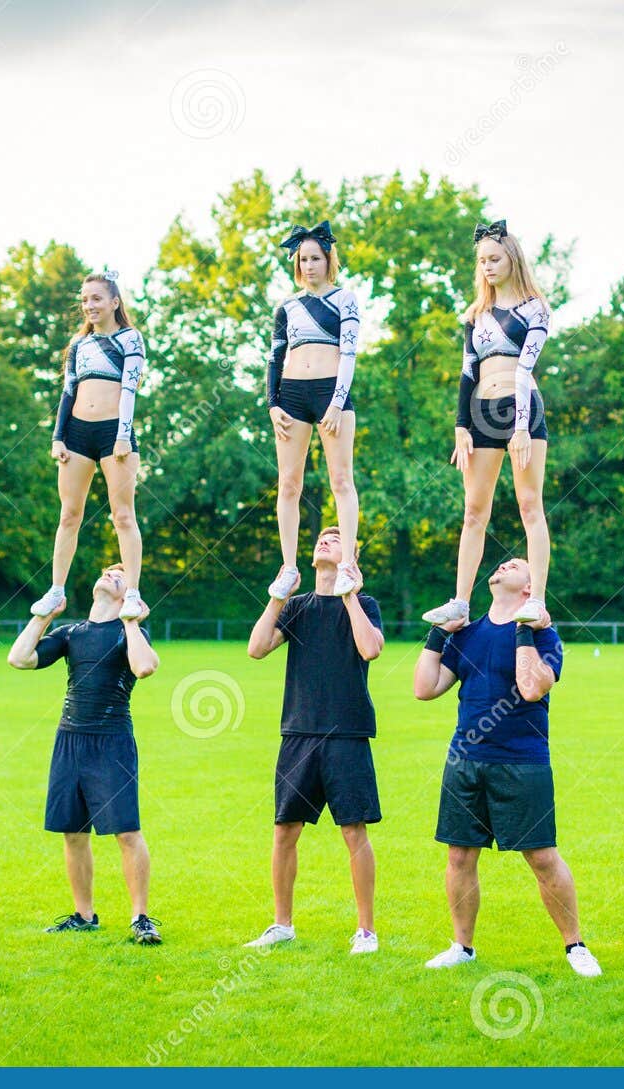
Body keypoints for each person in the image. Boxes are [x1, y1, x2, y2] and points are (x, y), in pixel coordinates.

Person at [413, 556, 601, 977]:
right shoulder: (468, 634)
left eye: (515, 564)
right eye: (501, 564)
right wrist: (440, 632)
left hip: (522, 762)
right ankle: (462, 947)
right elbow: (424, 688)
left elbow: (531, 688)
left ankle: (575, 946)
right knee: (460, 855)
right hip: (465, 759)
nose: (502, 566)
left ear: (530, 587)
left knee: (542, 857)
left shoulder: (545, 635)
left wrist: (523, 629)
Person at [245, 525, 384, 954]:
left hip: (347, 732)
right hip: (298, 732)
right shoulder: (297, 606)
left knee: (354, 831)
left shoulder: (364, 604)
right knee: (284, 831)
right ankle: (282, 925)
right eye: (322, 536)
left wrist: (349, 595)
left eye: (336, 537)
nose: (324, 539)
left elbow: (370, 649)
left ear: (352, 556)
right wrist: (277, 596)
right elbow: (256, 648)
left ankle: (366, 931)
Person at [8, 562, 163, 945]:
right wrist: (44, 615)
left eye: (120, 575)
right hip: (69, 740)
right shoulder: (72, 633)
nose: (110, 573)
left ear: (130, 594)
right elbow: (20, 658)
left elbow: (145, 667)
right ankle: (84, 916)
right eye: (108, 570)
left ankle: (141, 918)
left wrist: (130, 620)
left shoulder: (130, 632)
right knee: (73, 833)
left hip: (111, 741)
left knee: (126, 832)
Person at [423, 220, 555, 629]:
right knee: (474, 511)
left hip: (522, 411)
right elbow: (467, 371)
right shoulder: (475, 314)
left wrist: (521, 428)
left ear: (512, 259)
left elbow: (525, 368)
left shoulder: (535, 309)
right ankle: (460, 602)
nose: (488, 267)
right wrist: (460, 425)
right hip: (481, 413)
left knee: (529, 504)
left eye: (494, 259)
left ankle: (536, 599)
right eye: (482, 261)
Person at [30, 272, 148, 622]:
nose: (89, 305)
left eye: (96, 298)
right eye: (84, 299)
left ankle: (132, 593)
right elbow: (68, 392)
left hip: (115, 433)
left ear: (114, 302)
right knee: (69, 515)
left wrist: (123, 435)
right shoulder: (79, 344)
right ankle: (56, 591)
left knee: (123, 515)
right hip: (77, 434)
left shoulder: (130, 338)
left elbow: (129, 389)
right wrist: (58, 437)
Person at [265, 221, 363, 602]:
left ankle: (347, 564)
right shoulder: (287, 307)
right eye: (303, 259)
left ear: (328, 260)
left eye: (315, 259)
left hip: (330, 393)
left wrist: (338, 401)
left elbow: (349, 353)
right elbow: (274, 357)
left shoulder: (345, 299)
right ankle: (289, 567)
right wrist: (273, 403)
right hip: (291, 395)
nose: (309, 266)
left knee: (341, 480)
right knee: (289, 484)